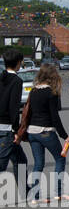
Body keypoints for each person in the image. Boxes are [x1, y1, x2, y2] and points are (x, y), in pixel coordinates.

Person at [26, 61, 69, 202]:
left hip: (32, 132)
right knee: (60, 159)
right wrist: (65, 136)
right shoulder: (51, 93)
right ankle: (58, 193)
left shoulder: (33, 91)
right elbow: (54, 117)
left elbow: (29, 113)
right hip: (46, 131)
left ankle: (35, 196)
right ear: (52, 76)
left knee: (38, 164)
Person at [0, 48, 26, 182]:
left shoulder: (1, 77)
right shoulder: (16, 81)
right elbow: (14, 108)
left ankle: (25, 192)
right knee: (2, 164)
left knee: (20, 160)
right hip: (6, 129)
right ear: (18, 63)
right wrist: (16, 130)